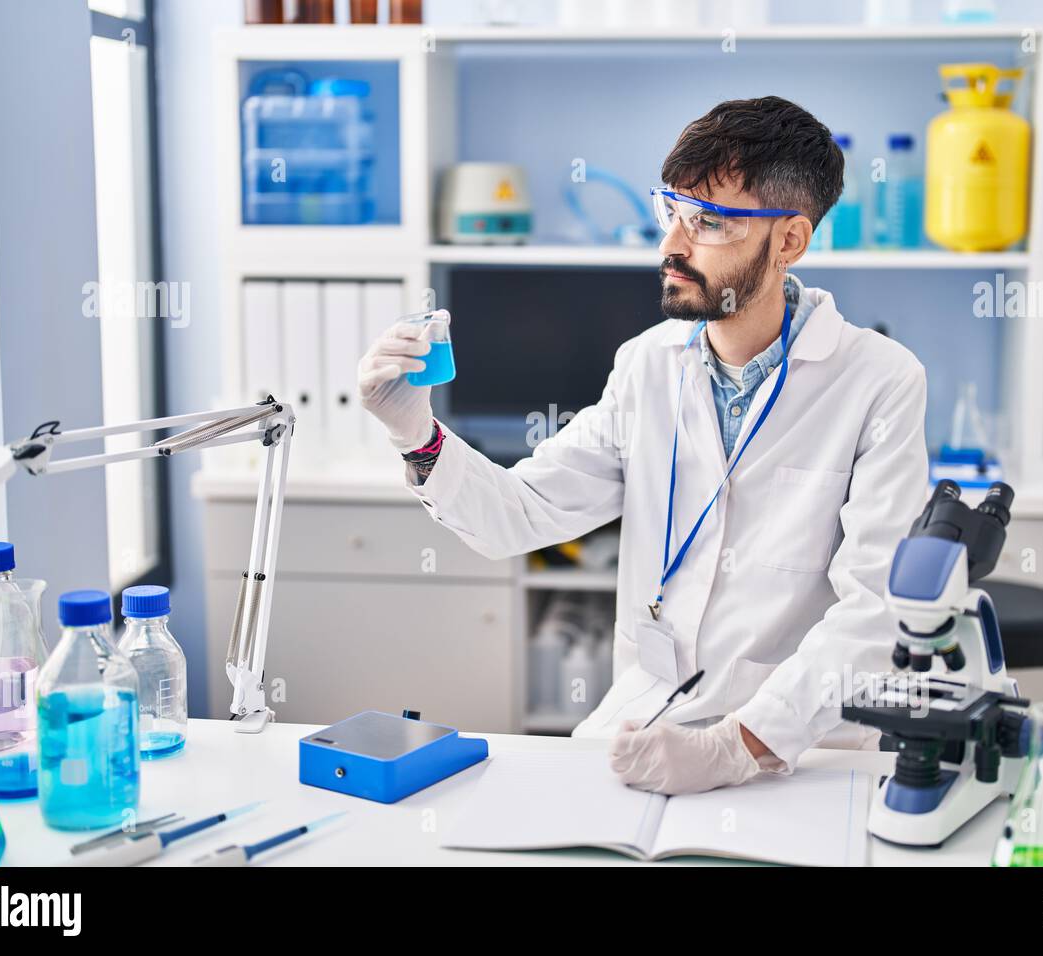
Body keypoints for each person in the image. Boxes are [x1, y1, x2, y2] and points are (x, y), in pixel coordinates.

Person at [357, 96, 927, 796]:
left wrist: (738, 747)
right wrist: (415, 433)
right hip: (645, 724)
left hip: (801, 751)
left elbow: (877, 611)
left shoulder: (880, 381)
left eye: (709, 222)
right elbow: (522, 513)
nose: (672, 247)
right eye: (674, 213)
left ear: (789, 241)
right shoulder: (647, 363)